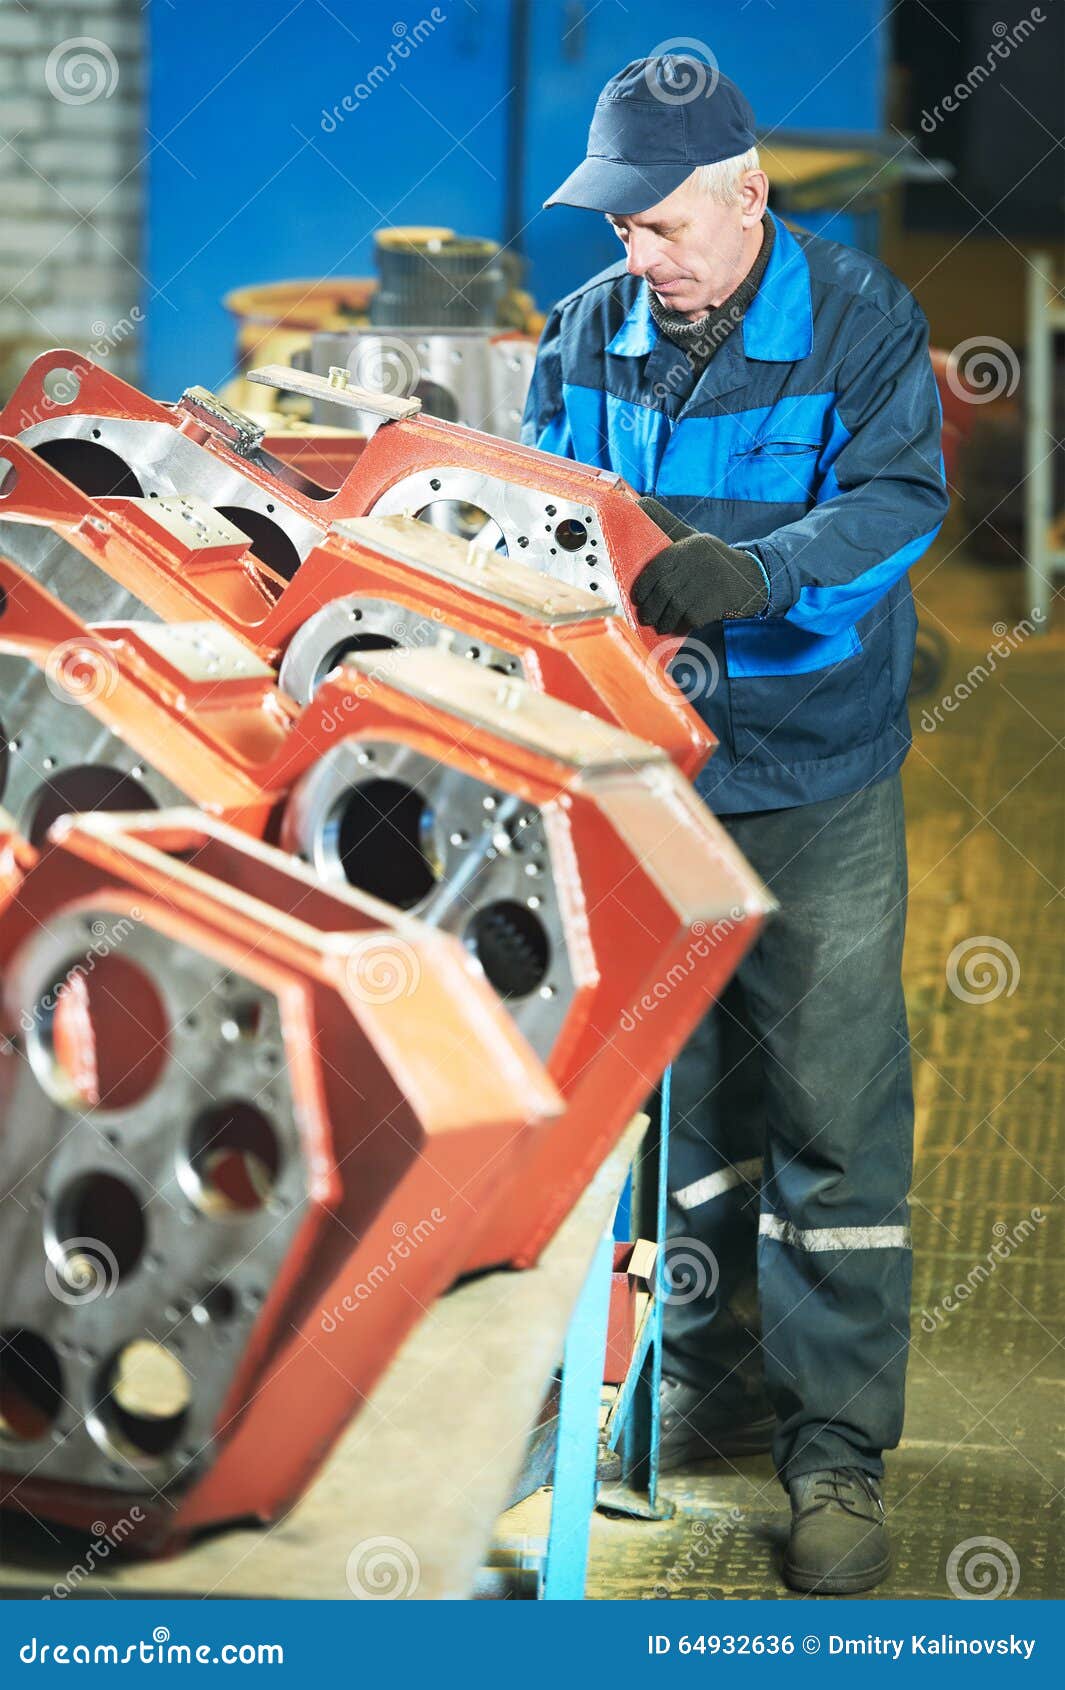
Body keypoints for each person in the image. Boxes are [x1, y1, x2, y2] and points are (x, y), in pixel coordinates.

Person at [523, 53, 948, 1594]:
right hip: (655, 781)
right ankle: (689, 1379)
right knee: (672, 1105)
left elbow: (898, 500)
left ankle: (833, 1451)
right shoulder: (582, 337)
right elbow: (539, 535)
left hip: (813, 772)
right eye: (621, 227)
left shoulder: (855, 320)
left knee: (830, 1113)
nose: (640, 254)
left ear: (748, 196)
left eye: (664, 226)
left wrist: (750, 575)